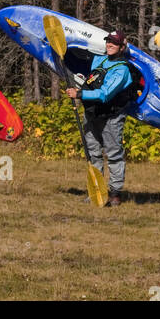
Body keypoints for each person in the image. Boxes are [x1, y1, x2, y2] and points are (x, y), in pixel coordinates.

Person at [66, 29, 135, 207]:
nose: (109, 45)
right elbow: (81, 59)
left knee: (113, 154)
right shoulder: (101, 59)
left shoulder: (122, 70)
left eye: (114, 43)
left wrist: (79, 94)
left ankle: (114, 194)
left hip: (111, 117)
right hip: (92, 114)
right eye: (108, 41)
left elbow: (105, 94)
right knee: (93, 154)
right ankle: (96, 190)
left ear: (122, 47)